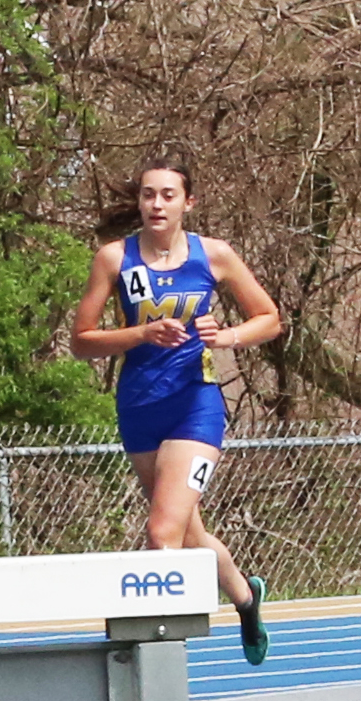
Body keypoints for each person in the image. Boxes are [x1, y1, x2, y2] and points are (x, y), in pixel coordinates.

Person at [71, 156, 281, 665]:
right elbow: (82, 341)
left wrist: (227, 335)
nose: (156, 204)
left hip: (196, 407)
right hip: (141, 406)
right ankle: (247, 598)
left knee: (162, 532)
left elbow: (269, 318)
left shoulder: (214, 256)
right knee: (191, 533)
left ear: (188, 202)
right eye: (148, 195)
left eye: (168, 195)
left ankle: (155, 658)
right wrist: (140, 333)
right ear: (139, 203)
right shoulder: (114, 259)